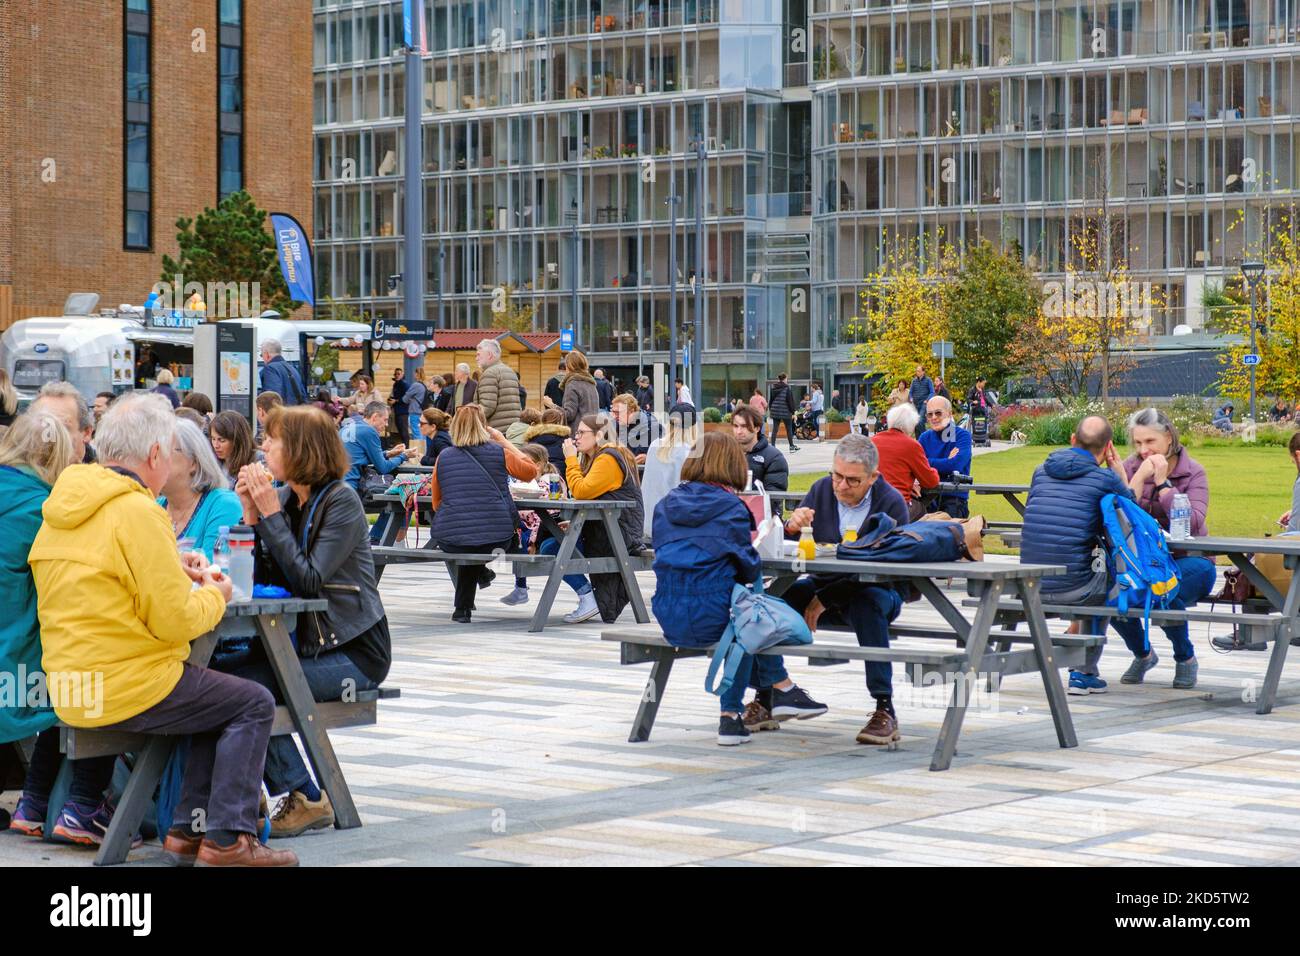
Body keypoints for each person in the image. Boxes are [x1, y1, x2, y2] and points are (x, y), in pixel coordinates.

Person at [28, 393, 294, 865]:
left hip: (70, 684)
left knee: (219, 696)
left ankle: (188, 831)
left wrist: (174, 564)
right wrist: (217, 593)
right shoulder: (138, 511)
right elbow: (175, 621)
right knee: (252, 702)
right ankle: (229, 840)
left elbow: (104, 583)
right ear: (154, 455)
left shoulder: (63, 508)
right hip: (127, 686)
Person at [229, 404, 391, 839]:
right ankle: (257, 794)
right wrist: (251, 519)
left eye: (272, 439)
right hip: (304, 646)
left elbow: (311, 581)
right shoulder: (284, 500)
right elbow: (257, 585)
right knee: (222, 679)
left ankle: (305, 796)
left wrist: (271, 517)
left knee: (249, 690)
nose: (263, 447)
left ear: (300, 449)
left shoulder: (342, 501)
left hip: (353, 653)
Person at [651, 432, 826, 745]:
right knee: (746, 607)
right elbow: (749, 568)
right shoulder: (732, 507)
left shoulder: (665, 505)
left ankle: (771, 695)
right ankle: (753, 702)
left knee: (742, 607)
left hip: (668, 613)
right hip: (715, 619)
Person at [779, 434, 910, 745]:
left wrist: (824, 598)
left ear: (873, 477)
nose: (840, 486)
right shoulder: (820, 490)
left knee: (868, 603)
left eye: (852, 480)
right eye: (836, 475)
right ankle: (769, 690)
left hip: (878, 588)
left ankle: (884, 706)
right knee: (776, 601)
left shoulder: (890, 504)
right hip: (822, 584)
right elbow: (801, 545)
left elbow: (879, 567)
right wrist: (793, 526)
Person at [1, 411, 84, 839]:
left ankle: (33, 801)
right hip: (15, 639)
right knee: (81, 680)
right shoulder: (43, 508)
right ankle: (80, 802)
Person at [1020, 415, 1135, 695]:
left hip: (1028, 584)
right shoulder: (1105, 479)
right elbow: (1130, 516)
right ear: (1108, 447)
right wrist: (1121, 475)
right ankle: (1083, 672)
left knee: (1088, 570)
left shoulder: (1040, 471)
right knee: (1111, 585)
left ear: (1072, 439)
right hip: (1073, 589)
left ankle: (1083, 665)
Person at [1112, 408, 1214, 689]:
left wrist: (1162, 484)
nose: (1143, 450)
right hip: (1142, 563)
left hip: (1191, 561)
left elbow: (1193, 522)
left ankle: (1185, 658)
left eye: (1150, 442)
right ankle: (1143, 653)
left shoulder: (1193, 473)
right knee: (1111, 590)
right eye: (1138, 443)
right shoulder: (1131, 468)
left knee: (1166, 587)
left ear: (1168, 437)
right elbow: (1119, 516)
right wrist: (1138, 478)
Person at [427, 405, 540, 622]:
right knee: (483, 537)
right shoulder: (499, 452)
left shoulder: (444, 456)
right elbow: (531, 471)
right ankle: (479, 579)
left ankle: (463, 609)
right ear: (485, 427)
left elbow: (436, 503)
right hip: (497, 540)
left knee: (469, 539)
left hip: (451, 539)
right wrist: (504, 441)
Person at [543, 415, 645, 624]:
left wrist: (570, 459)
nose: (576, 437)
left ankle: (588, 598)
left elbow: (581, 491)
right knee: (549, 544)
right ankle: (588, 597)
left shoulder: (608, 458)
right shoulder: (597, 457)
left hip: (619, 534)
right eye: (576, 432)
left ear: (599, 435)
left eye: (581, 433)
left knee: (553, 548)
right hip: (607, 527)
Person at [162, 420, 244, 560]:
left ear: (193, 461)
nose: (154, 459)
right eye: (153, 452)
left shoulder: (222, 505)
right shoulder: (154, 506)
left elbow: (216, 572)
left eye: (164, 451)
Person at [500, 442, 563, 607]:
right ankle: (519, 587)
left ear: (539, 465)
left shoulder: (546, 481)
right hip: (537, 528)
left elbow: (541, 513)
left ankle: (520, 587)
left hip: (544, 531)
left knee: (514, 536)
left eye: (525, 463)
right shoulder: (540, 479)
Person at [341, 401, 416, 516]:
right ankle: (379, 534)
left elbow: (358, 456)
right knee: (399, 506)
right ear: (375, 416)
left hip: (337, 484)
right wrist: (403, 456)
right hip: (352, 487)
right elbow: (383, 468)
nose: (386, 425)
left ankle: (379, 534)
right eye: (385, 420)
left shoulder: (349, 427)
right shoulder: (369, 431)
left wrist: (389, 453)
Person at [641, 404, 700, 537]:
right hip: (675, 528)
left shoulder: (655, 445)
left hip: (649, 523)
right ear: (693, 427)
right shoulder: (688, 452)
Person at [873, 403, 941, 517]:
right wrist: (934, 470)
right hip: (897, 506)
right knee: (922, 510)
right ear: (910, 426)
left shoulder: (872, 441)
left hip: (872, 505)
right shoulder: (911, 445)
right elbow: (931, 481)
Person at [918, 396, 973, 517]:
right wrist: (946, 461)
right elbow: (916, 466)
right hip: (927, 497)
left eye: (938, 413)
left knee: (947, 532)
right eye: (929, 414)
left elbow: (956, 465)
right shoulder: (924, 438)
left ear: (949, 414)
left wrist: (927, 462)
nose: (934, 417)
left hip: (954, 498)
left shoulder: (962, 436)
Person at [731, 403, 787, 513]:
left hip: (759, 519)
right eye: (736, 426)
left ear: (757, 428)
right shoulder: (725, 454)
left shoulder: (774, 458)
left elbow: (773, 500)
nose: (738, 431)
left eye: (744, 426)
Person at [34, 382, 94, 464]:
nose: (50, 437)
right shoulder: (16, 473)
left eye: (62, 428)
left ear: (86, 433)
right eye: (42, 427)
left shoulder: (103, 475)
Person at [476, 338, 523, 430]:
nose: (476, 358)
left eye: (478, 355)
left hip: (496, 430)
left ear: (489, 355)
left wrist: (469, 418)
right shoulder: (510, 371)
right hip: (512, 428)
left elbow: (487, 406)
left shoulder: (490, 373)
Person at [210, 409, 259, 489]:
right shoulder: (214, 463)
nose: (216, 445)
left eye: (222, 440)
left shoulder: (258, 460)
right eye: (213, 439)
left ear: (237, 440)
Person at [609, 392, 663, 463]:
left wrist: (648, 457)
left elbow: (662, 453)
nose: (614, 416)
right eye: (613, 412)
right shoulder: (619, 423)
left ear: (631, 411)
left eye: (618, 412)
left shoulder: (652, 426)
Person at [258, 339, 308, 406]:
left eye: (261, 355)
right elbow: (303, 396)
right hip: (295, 414)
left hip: (280, 414)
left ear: (267, 354)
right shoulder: (293, 369)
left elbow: (271, 399)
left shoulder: (270, 368)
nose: (262, 358)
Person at [560, 349, 599, 430]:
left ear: (569, 366)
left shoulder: (573, 384)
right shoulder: (591, 383)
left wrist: (551, 406)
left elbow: (569, 415)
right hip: (592, 431)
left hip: (577, 434)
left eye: (566, 365)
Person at [524, 406, 570, 471]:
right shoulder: (566, 439)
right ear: (559, 422)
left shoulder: (532, 438)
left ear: (542, 421)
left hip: (538, 474)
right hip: (560, 474)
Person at [768, 373, 799, 452]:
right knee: (789, 429)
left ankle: (773, 446)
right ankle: (791, 446)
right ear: (785, 379)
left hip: (775, 411)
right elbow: (790, 402)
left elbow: (771, 401)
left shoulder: (773, 388)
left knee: (775, 429)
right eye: (786, 379)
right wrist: (793, 411)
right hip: (785, 411)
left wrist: (771, 409)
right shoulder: (787, 388)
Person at [387, 367, 410, 444]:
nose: (397, 375)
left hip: (403, 411)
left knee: (404, 432)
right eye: (395, 374)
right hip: (397, 411)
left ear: (402, 374)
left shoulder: (405, 384)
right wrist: (390, 400)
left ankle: (407, 447)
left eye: (398, 374)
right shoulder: (396, 384)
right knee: (400, 432)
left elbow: (407, 398)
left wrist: (396, 401)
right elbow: (395, 396)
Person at [403, 369, 428, 439]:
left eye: (415, 373)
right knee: (423, 434)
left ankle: (419, 450)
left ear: (417, 374)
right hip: (422, 413)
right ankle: (424, 449)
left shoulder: (416, 385)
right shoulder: (424, 385)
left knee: (416, 434)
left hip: (415, 412)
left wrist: (411, 399)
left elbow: (405, 399)